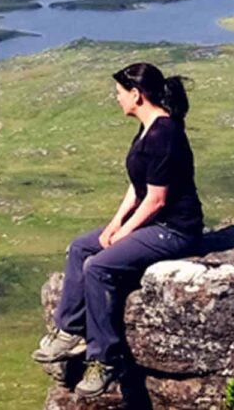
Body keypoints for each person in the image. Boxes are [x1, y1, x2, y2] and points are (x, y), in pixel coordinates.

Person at [31, 62, 205, 398]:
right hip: (153, 223)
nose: (117, 99)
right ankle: (69, 332)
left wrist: (122, 237)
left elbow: (156, 200)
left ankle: (104, 360)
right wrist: (113, 226)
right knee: (83, 247)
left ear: (137, 95)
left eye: (120, 93)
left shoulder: (164, 134)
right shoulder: (146, 130)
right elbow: (137, 187)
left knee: (99, 267)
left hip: (175, 230)